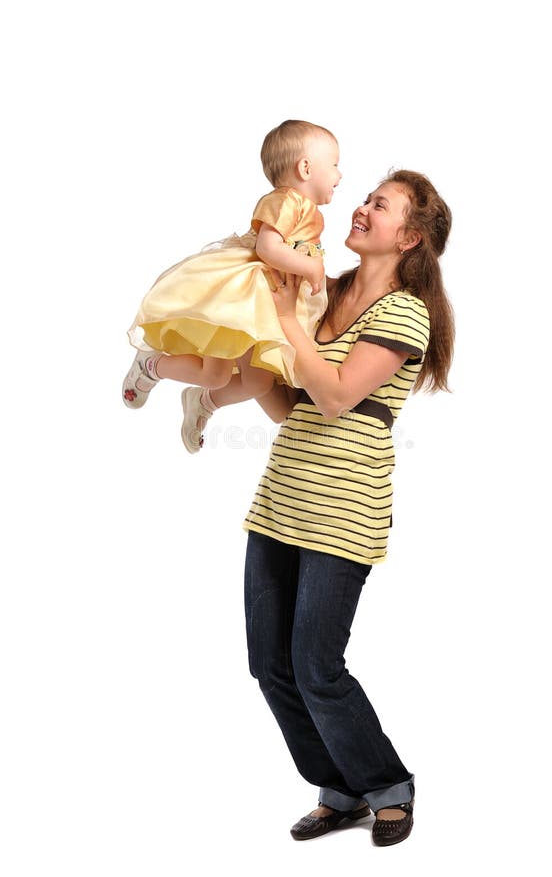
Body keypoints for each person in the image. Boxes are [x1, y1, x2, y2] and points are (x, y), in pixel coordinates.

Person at [196, 168, 454, 846]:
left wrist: (282, 319)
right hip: (283, 497)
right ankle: (339, 786)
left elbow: (337, 395)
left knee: (316, 665)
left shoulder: (405, 312)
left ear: (411, 237)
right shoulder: (326, 294)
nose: (362, 208)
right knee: (269, 665)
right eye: (365, 197)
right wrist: (245, 365)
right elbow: (291, 406)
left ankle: (387, 785)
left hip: (344, 507)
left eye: (381, 204)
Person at [122, 119, 341, 452]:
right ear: (306, 168)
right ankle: (152, 365)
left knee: (258, 381)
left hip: (263, 306)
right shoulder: (288, 201)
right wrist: (311, 265)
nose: (340, 175)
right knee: (217, 374)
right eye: (335, 165)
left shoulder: (305, 208)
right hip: (241, 298)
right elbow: (269, 247)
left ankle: (203, 402)